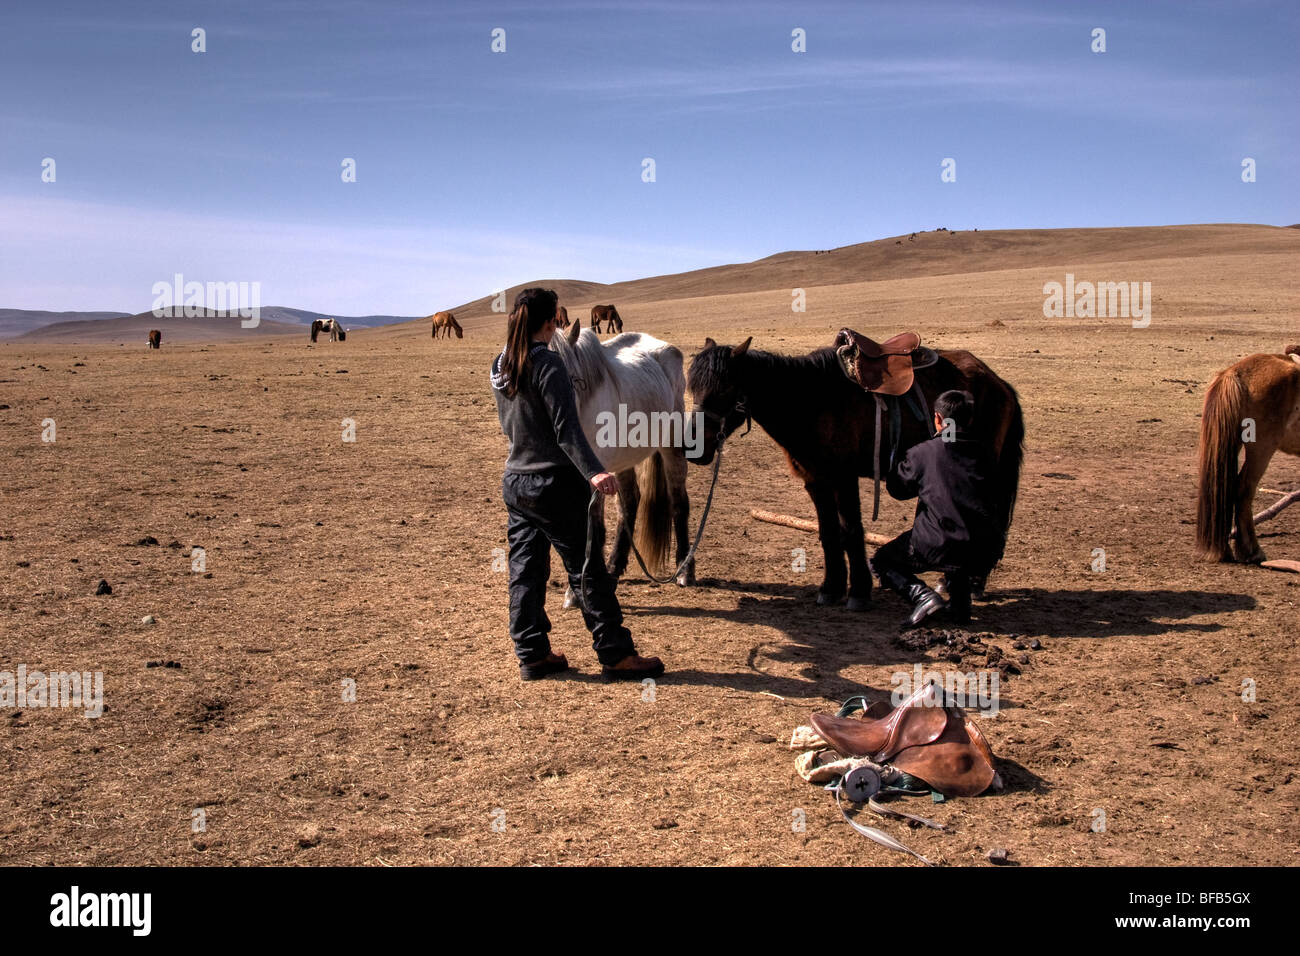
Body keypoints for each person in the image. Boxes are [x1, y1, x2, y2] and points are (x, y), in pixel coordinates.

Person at [490, 287, 665, 681]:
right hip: (554, 483)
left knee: (525, 570)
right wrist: (594, 470)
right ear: (551, 322)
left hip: (516, 480)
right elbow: (567, 428)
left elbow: (510, 424)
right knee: (588, 571)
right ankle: (616, 654)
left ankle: (532, 653)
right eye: (556, 318)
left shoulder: (501, 365)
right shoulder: (550, 365)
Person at [870, 389, 1004, 628]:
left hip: (938, 544)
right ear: (969, 419)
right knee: (962, 534)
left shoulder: (923, 453)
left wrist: (901, 464)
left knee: (882, 561)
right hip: (986, 549)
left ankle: (922, 596)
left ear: (938, 419)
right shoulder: (987, 453)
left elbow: (898, 490)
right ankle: (960, 606)